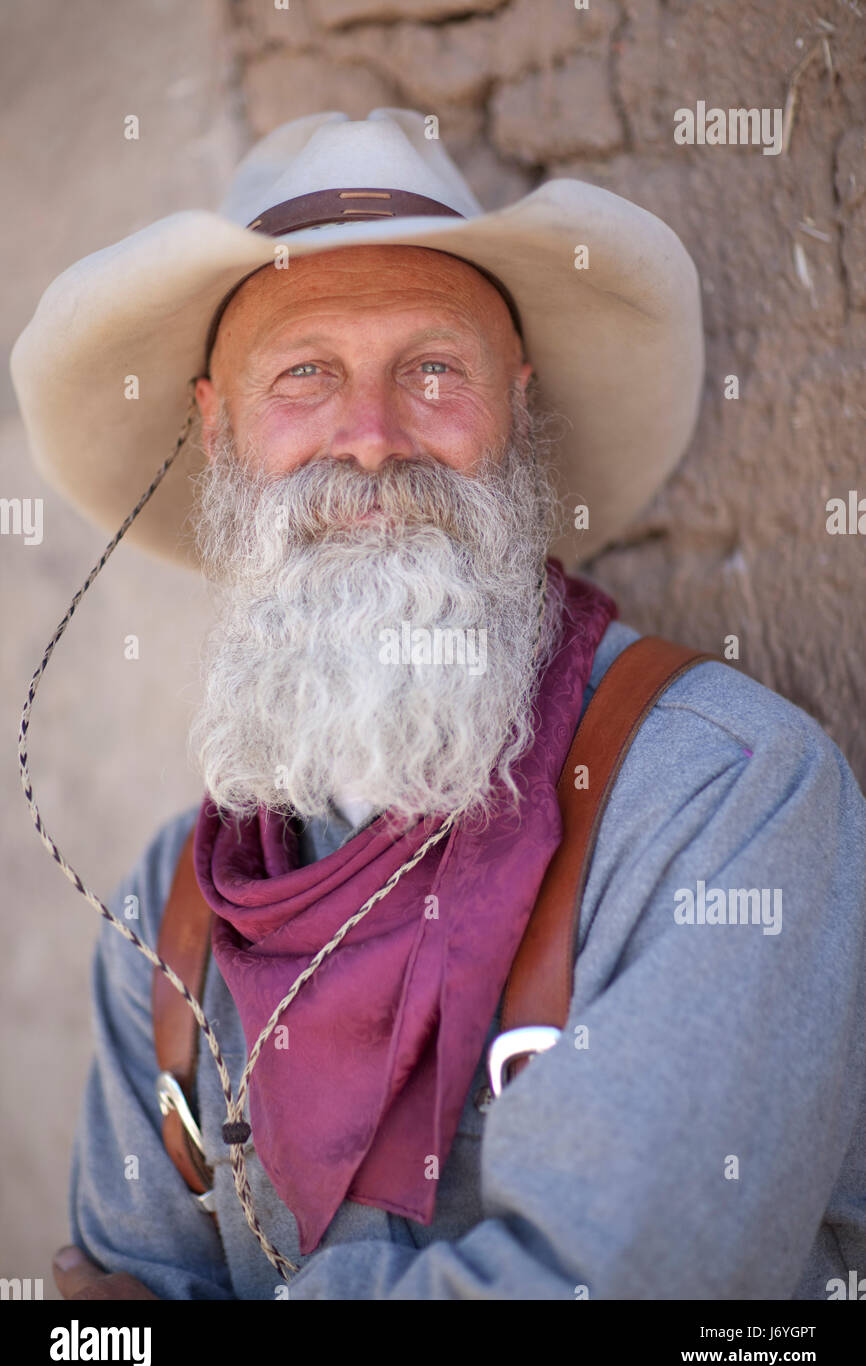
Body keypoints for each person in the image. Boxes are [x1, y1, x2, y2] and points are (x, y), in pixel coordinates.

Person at [12, 110, 866, 1302]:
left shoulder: (726, 799)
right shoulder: (170, 913)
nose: (369, 442)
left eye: (430, 370)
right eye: (305, 372)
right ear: (217, 429)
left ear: (513, 408)